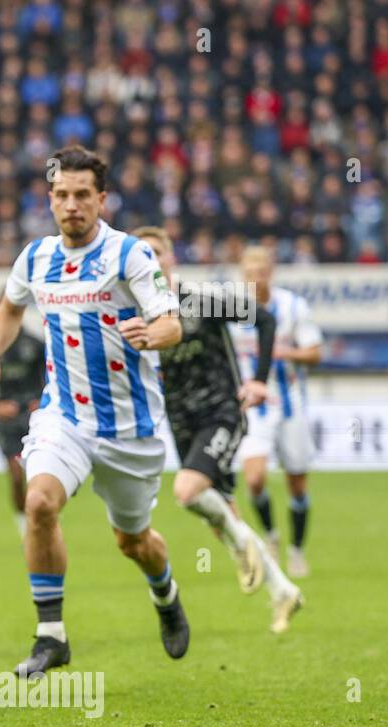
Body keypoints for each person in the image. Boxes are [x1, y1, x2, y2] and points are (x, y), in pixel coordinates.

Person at [0, 146, 187, 677]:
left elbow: (172, 323)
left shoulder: (130, 255)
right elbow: (9, 308)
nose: (72, 205)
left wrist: (150, 333)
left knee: (133, 542)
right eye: (62, 195)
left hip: (129, 427)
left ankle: (166, 594)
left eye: (83, 195)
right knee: (39, 501)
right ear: (50, 199)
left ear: (101, 199)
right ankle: (51, 635)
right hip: (63, 415)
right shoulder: (36, 258)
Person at [133, 227, 303, 633]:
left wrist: (259, 379)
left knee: (187, 492)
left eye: (158, 252)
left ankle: (245, 547)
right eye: (144, 255)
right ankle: (283, 590)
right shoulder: (136, 311)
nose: (153, 260)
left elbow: (265, 319)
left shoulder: (201, 299)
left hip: (222, 412)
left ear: (172, 258)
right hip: (180, 423)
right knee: (222, 513)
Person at [232, 246, 323, 578]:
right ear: (242, 273)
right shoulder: (230, 308)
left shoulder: (293, 306)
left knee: (297, 483)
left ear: (271, 271)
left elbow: (315, 353)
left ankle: (297, 551)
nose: (257, 276)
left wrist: (284, 352)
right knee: (254, 479)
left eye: (263, 270)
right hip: (253, 409)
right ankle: (271, 536)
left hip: (290, 405)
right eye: (251, 271)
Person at [0, 329, 46, 538]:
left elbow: (52, 374)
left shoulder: (34, 344)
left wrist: (42, 400)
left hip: (35, 417)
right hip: (8, 419)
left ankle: (42, 521)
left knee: (40, 474)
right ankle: (24, 523)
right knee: (15, 474)